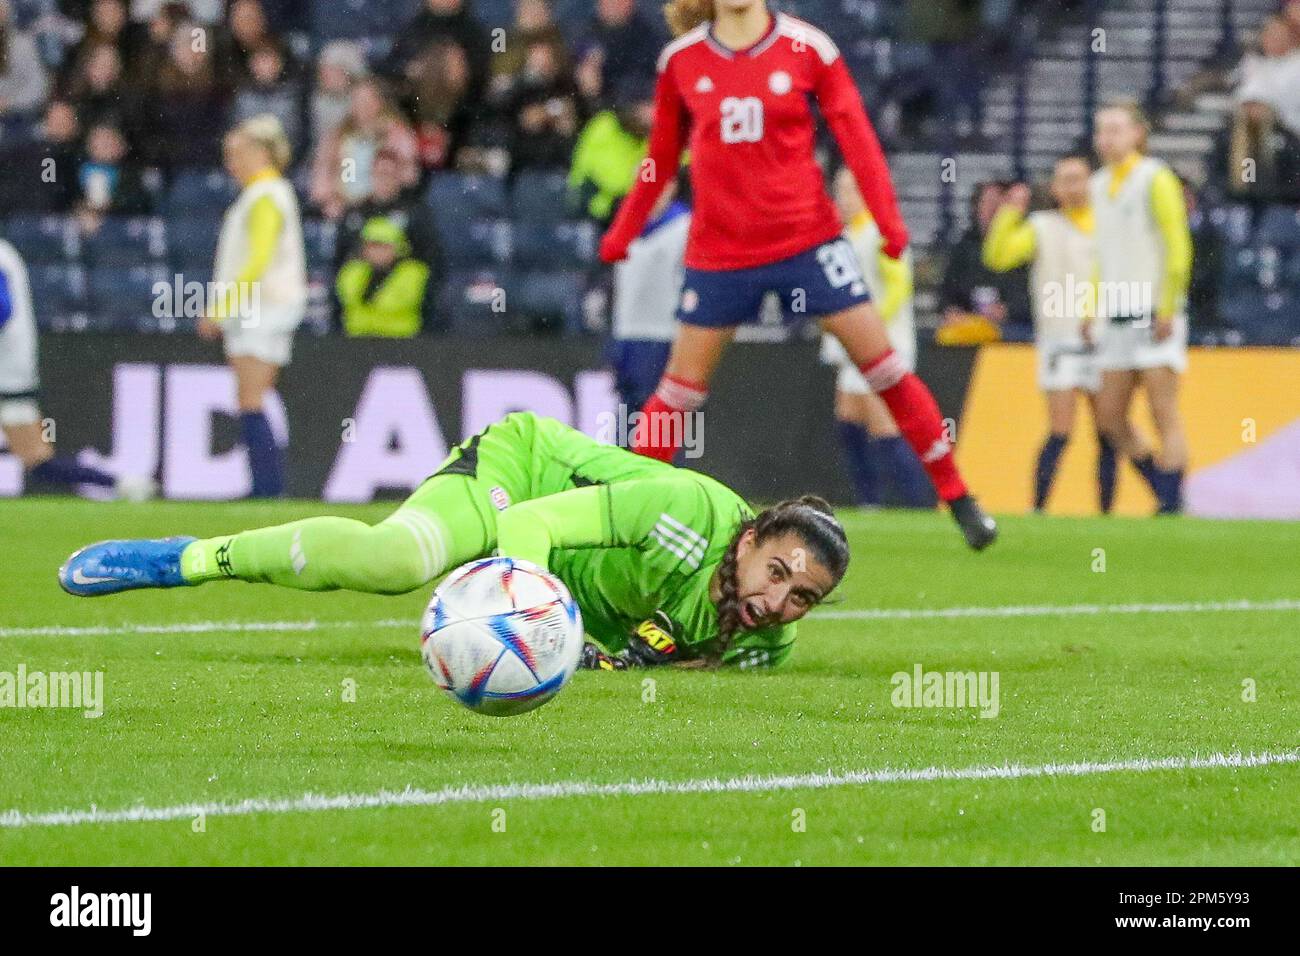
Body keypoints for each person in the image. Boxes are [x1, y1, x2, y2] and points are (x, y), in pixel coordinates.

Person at [597, 0, 996, 549]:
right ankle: (626, 514)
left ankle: (959, 498)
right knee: (678, 392)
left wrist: (889, 222)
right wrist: (624, 231)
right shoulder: (681, 61)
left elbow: (857, 139)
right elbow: (659, 158)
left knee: (884, 368)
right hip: (722, 252)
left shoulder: (810, 49)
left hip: (807, 241)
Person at [58, 412, 849, 670]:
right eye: (777, 569)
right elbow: (533, 526)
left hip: (557, 560)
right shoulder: (686, 511)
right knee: (393, 561)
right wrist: (536, 625)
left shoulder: (762, 645)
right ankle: (186, 559)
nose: (778, 599)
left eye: (802, 598)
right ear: (747, 538)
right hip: (523, 475)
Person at [982, 155, 1118, 514]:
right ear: (1054, 188)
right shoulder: (1042, 227)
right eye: (1065, 180)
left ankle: (1107, 513)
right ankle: (1039, 508)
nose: (1073, 187)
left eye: (1079, 178)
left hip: (1102, 340)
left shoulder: (1109, 226)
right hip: (1059, 340)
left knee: (1107, 430)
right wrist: (1009, 214)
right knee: (1061, 430)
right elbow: (998, 257)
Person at [1086, 99, 1193, 514]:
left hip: (1152, 311)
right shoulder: (1098, 185)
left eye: (1115, 129)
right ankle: (1163, 488)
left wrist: (1168, 305)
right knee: (1109, 418)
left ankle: (1172, 499)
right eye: (1101, 130)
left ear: (1137, 134)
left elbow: (1176, 244)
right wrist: (1090, 307)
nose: (1106, 138)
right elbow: (1101, 255)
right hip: (1115, 315)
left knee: (1162, 409)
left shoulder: (1155, 178)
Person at [198, 114, 307, 499]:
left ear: (261, 152)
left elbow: (258, 259)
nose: (230, 163)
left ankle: (266, 487)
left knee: (250, 398)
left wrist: (220, 309)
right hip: (265, 307)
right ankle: (266, 485)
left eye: (237, 153)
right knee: (252, 398)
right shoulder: (268, 194)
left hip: (262, 308)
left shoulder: (265, 196)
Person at [0, 236, 154, 500]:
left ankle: (122, 484)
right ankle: (123, 484)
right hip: (13, 370)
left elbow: (3, 309)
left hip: (8, 374)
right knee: (39, 462)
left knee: (38, 461)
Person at [820, 168, 932, 509]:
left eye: (851, 190)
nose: (843, 198)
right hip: (854, 350)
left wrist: (869, 326)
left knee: (885, 427)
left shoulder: (882, 233)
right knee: (849, 422)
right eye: (839, 189)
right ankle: (869, 502)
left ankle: (918, 504)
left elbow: (899, 285)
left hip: (883, 345)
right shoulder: (845, 236)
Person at [609, 177, 690, 416]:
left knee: (660, 413)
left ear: (671, 187)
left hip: (664, 335)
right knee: (627, 412)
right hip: (627, 333)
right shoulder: (626, 224)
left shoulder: (685, 226)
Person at [336, 217, 431, 338]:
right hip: (357, 339)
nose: (377, 251)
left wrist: (370, 309)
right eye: (372, 245)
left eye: (383, 246)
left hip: (400, 339)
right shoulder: (352, 270)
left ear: (397, 247)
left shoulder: (414, 271)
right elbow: (347, 299)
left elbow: (397, 304)